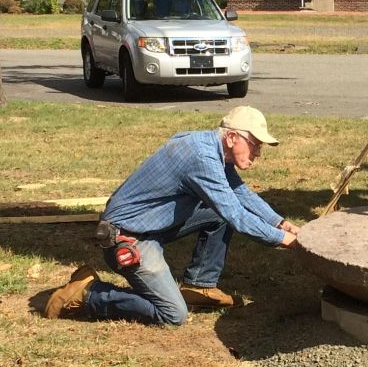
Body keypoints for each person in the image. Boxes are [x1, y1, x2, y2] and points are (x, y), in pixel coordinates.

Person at [44, 106, 299, 325]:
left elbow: (241, 194)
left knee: (217, 212)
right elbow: (236, 215)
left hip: (150, 225)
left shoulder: (212, 148)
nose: (258, 154)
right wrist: (286, 240)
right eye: (255, 145)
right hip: (127, 239)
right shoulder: (201, 158)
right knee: (172, 314)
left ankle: (199, 286)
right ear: (232, 137)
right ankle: (89, 293)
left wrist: (280, 222)